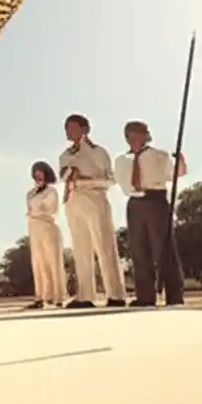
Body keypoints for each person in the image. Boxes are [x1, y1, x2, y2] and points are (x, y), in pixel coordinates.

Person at [113, 121, 186, 307]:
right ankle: (145, 296)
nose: (136, 138)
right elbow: (124, 184)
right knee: (139, 250)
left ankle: (174, 295)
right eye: (132, 134)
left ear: (146, 135)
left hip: (156, 200)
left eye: (140, 133)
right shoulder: (122, 160)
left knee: (164, 249)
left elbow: (176, 174)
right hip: (135, 202)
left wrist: (180, 161)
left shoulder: (159, 155)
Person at [58, 114, 128, 308]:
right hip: (74, 199)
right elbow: (63, 175)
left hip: (95, 197)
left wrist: (87, 180)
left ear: (85, 129)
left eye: (73, 128)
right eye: (67, 129)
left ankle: (116, 294)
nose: (69, 132)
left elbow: (111, 180)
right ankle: (85, 295)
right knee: (81, 248)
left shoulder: (98, 152)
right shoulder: (65, 155)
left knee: (105, 245)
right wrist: (73, 175)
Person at [25, 161, 66, 309]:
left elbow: (50, 210)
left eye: (40, 171)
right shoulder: (30, 193)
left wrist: (36, 212)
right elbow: (30, 210)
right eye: (35, 172)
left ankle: (58, 296)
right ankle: (41, 296)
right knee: (38, 263)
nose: (37, 175)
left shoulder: (51, 191)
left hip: (48, 226)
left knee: (53, 262)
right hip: (34, 228)